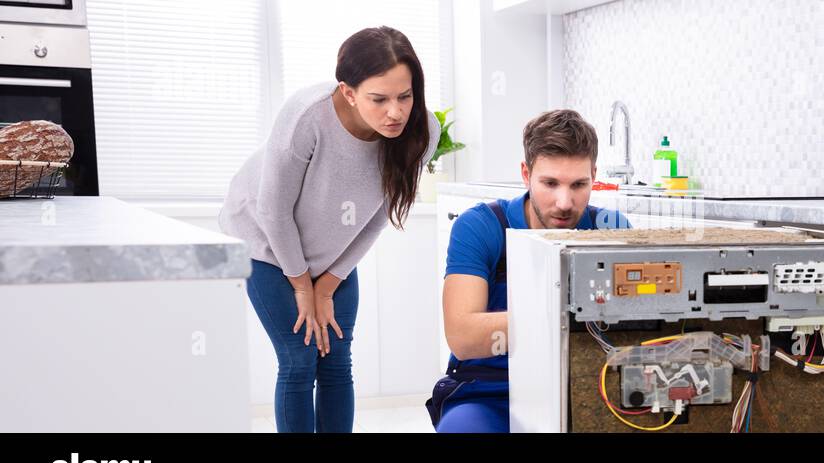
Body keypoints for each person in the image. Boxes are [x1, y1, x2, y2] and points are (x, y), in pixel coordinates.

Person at [219, 26, 438, 433]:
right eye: (379, 99)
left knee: (336, 358)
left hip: (331, 250)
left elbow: (377, 214)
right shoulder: (308, 116)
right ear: (349, 92)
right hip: (264, 242)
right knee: (299, 359)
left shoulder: (420, 132)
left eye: (405, 96)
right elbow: (274, 211)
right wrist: (303, 286)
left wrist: (328, 283)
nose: (396, 112)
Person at [430, 109, 630, 433]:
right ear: (526, 173)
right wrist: (571, 317)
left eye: (579, 184)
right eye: (550, 183)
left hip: (584, 390)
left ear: (594, 175)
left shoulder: (613, 229)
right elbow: (464, 338)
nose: (564, 202)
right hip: (490, 393)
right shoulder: (481, 226)